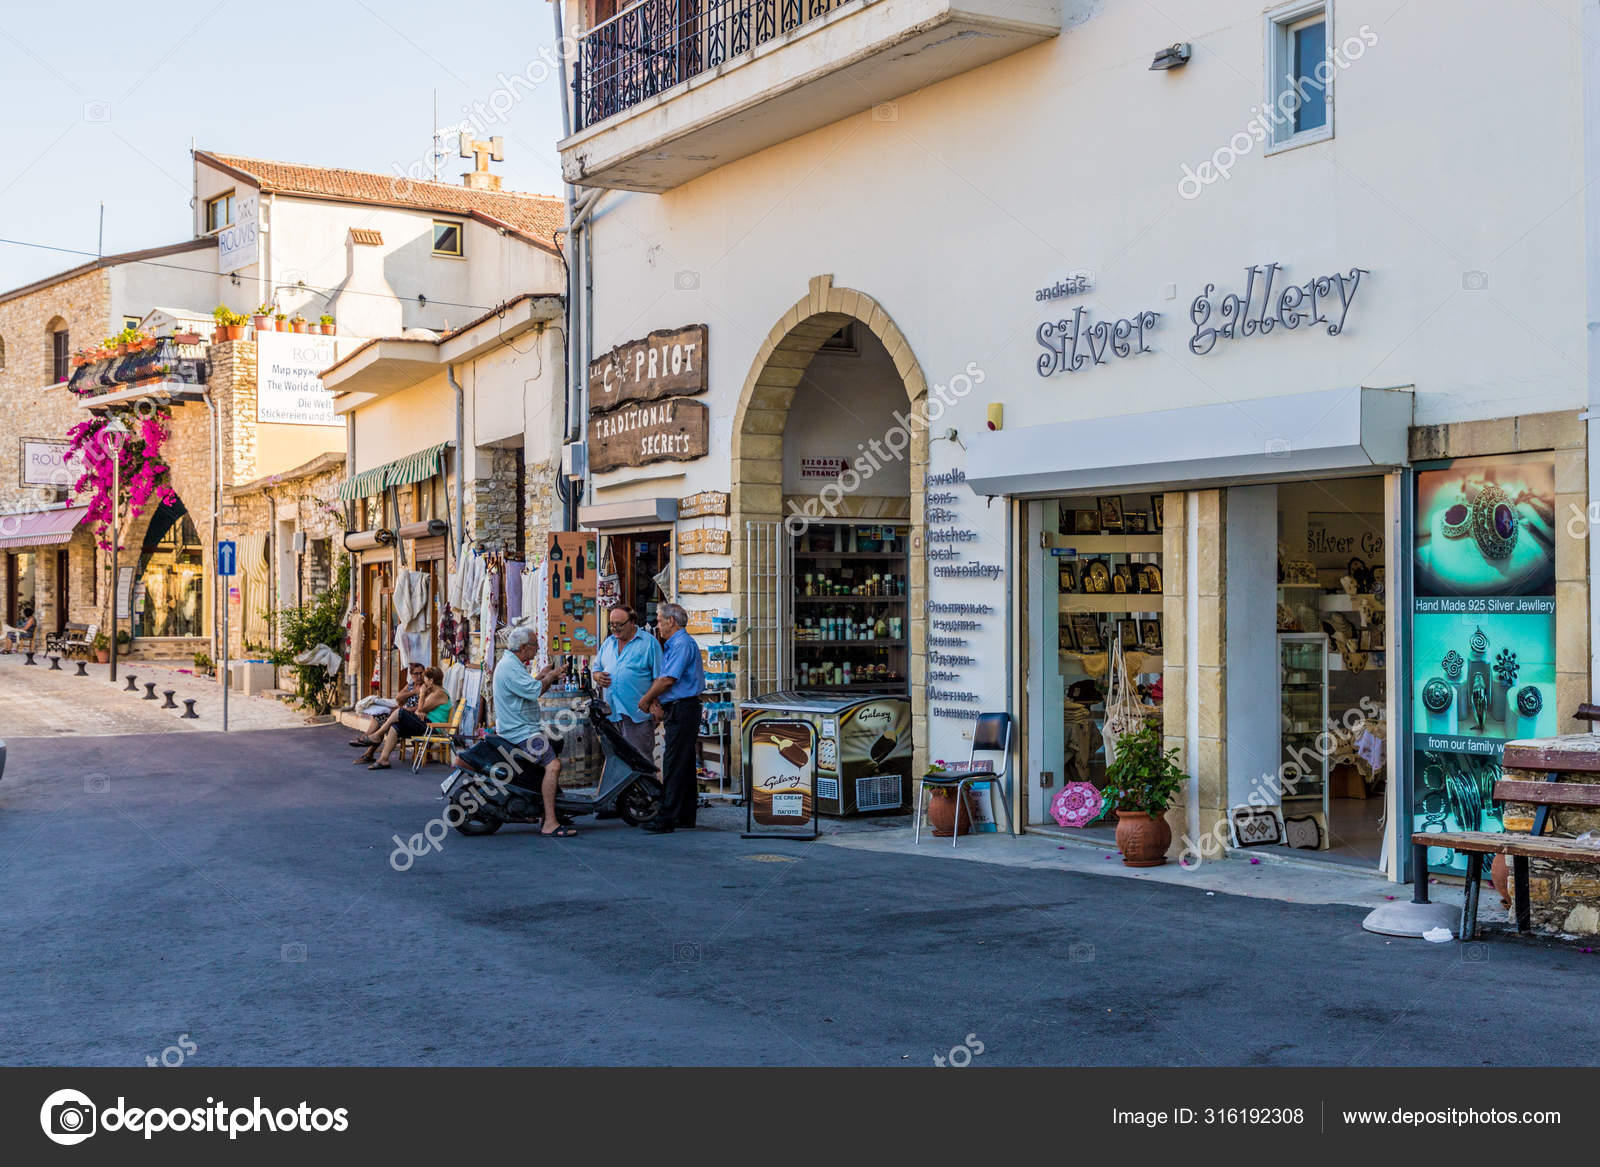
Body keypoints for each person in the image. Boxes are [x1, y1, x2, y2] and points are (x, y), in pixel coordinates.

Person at [491, 625, 571, 837]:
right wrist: (551, 676)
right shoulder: (509, 666)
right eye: (535, 646)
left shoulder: (512, 665)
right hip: (521, 732)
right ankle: (550, 822)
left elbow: (525, 688)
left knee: (554, 747)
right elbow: (535, 691)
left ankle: (549, 809)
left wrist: (541, 675)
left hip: (522, 728)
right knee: (553, 765)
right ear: (525, 647)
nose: (537, 650)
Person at [636, 602, 705, 834]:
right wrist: (657, 700)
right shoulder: (675, 644)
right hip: (679, 707)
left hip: (684, 707)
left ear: (671, 621)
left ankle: (666, 817)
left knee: (674, 762)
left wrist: (647, 699)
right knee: (683, 763)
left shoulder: (681, 644)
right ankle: (684, 815)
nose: (657, 624)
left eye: (659, 620)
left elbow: (668, 679)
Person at [592, 604, 663, 765]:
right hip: (611, 714)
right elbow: (596, 669)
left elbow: (660, 678)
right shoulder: (608, 643)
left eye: (619, 624)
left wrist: (655, 703)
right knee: (616, 761)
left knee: (641, 761)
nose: (615, 628)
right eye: (612, 624)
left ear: (632, 622)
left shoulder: (648, 643)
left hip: (637, 714)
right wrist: (597, 676)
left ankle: (647, 791)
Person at [362, 666, 451, 770]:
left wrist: (422, 694)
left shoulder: (440, 693)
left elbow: (421, 708)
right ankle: (383, 759)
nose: (424, 682)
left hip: (433, 728)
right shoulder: (433, 693)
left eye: (425, 679)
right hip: (426, 725)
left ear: (431, 680)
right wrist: (420, 710)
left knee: (400, 711)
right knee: (396, 726)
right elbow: (419, 710)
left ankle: (377, 735)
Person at [349, 661, 426, 750]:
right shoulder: (411, 685)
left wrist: (404, 710)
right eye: (416, 674)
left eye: (421, 673)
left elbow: (423, 707)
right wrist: (413, 692)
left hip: (411, 716)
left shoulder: (425, 687)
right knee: (379, 717)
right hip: (403, 712)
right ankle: (368, 744)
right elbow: (398, 697)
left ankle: (366, 740)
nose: (419, 676)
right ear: (411, 675)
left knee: (380, 719)